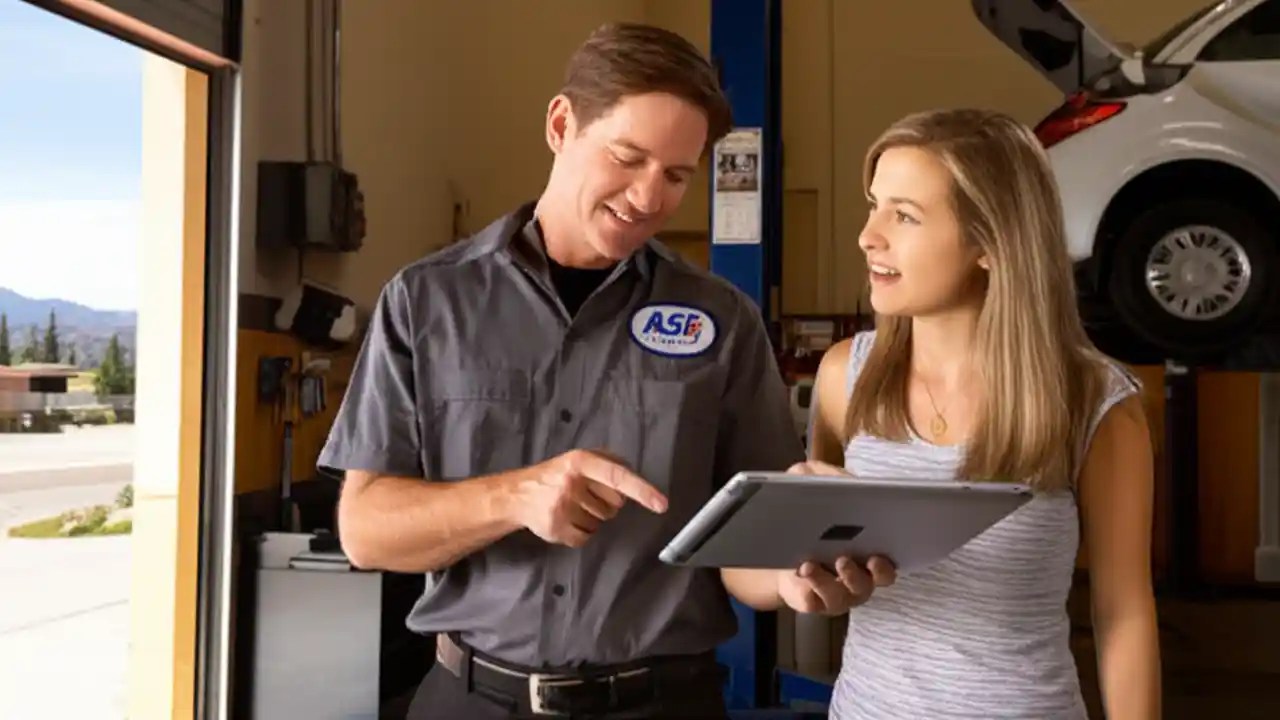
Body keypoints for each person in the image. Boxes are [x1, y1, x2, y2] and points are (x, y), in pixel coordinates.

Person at [317, 22, 891, 719]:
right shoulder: (426, 301)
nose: (649, 197)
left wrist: (795, 577)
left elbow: (753, 546)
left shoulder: (724, 322)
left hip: (665, 702)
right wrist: (515, 497)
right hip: (470, 698)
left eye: (677, 175)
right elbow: (366, 530)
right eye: (628, 157)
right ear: (561, 124)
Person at [731, 109, 1163, 719]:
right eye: (873, 204)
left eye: (903, 215)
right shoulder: (845, 378)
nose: (868, 235)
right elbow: (761, 565)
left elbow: (1123, 614)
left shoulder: (1094, 400)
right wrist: (790, 580)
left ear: (990, 242)